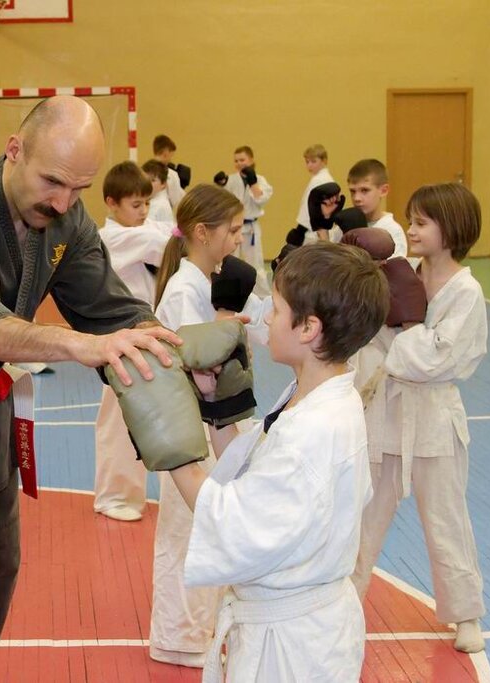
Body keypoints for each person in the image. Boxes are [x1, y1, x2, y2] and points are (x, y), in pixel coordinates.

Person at [0, 95, 181, 683]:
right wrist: (74, 346)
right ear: (14, 149)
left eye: (79, 188)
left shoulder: (63, 216)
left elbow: (107, 307)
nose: (64, 202)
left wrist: (172, 345)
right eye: (52, 181)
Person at [167, 241, 390, 681]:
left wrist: (170, 446)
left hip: (292, 652)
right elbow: (251, 476)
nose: (266, 316)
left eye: (277, 307)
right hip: (300, 631)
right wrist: (216, 406)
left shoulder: (314, 429)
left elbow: (235, 522)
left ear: (308, 328)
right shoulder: (313, 397)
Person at [351, 183, 488, 654]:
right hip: (384, 415)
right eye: (409, 220)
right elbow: (369, 338)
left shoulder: (466, 292)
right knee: (362, 519)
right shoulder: (400, 274)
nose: (410, 229)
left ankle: (465, 614)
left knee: (447, 521)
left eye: (421, 222)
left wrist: (407, 327)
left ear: (450, 231)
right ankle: (344, 607)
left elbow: (436, 358)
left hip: (434, 422)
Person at [147, 184, 246, 667]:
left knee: (198, 526)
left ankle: (190, 631)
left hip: (198, 420)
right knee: (185, 530)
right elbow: (199, 357)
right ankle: (179, 637)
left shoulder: (201, 284)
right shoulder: (186, 289)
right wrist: (230, 330)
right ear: (202, 233)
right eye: (231, 231)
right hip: (187, 424)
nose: (238, 241)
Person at [93, 161, 177, 522]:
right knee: (118, 419)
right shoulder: (113, 237)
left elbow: (165, 229)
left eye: (146, 203)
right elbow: (166, 239)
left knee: (136, 416)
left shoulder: (141, 228)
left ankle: (125, 493)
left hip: (139, 337)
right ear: (111, 203)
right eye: (135, 205)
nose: (143, 212)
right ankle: (113, 496)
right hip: (118, 339)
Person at [222, 145, 273, 297]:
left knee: (255, 264)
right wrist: (220, 183)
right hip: (233, 227)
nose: (239, 163)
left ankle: (264, 297)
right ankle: (230, 295)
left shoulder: (260, 180)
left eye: (242, 159)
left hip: (251, 227)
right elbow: (223, 198)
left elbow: (261, 199)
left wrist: (253, 182)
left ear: (251, 160)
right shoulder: (231, 180)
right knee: (230, 261)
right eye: (236, 160)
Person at [347, 158, 408, 258]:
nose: (356, 198)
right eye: (353, 191)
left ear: (383, 190)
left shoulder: (392, 231)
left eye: (364, 190)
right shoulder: (345, 227)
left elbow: (393, 271)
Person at [295, 143, 337, 242]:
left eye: (314, 161)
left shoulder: (321, 180)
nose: (309, 165)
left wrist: (301, 229)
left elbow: (311, 207)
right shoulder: (320, 178)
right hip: (314, 229)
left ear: (324, 161)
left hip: (314, 231)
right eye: (307, 162)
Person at [153, 134, 186, 207]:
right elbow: (176, 201)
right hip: (164, 213)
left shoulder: (143, 172)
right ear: (166, 152)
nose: (171, 159)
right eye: (171, 155)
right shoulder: (171, 175)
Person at [142, 158, 176, 223]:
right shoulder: (149, 200)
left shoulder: (159, 205)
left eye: (153, 180)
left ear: (163, 184)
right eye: (145, 179)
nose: (147, 183)